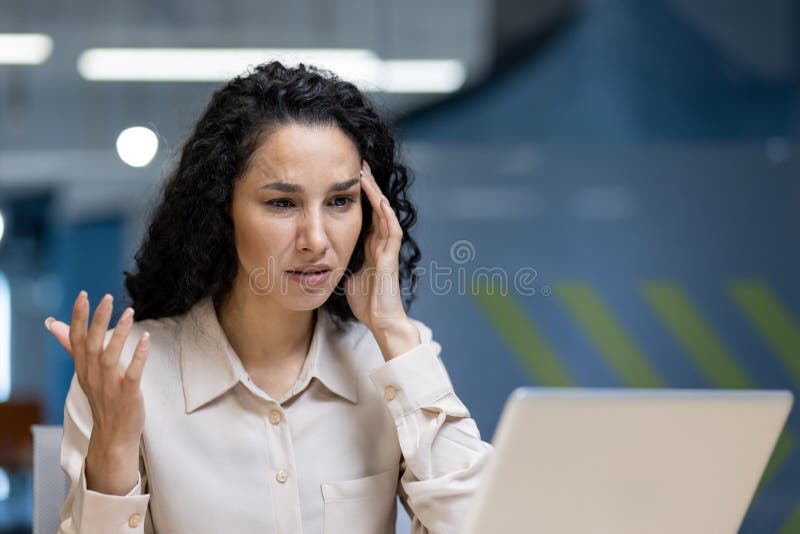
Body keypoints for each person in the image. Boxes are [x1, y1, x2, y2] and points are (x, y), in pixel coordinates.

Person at [44, 60, 493, 534]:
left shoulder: (394, 361)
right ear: (222, 210)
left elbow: (480, 524)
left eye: (340, 201)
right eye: (282, 203)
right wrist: (114, 448)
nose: (316, 239)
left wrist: (392, 328)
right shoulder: (129, 376)